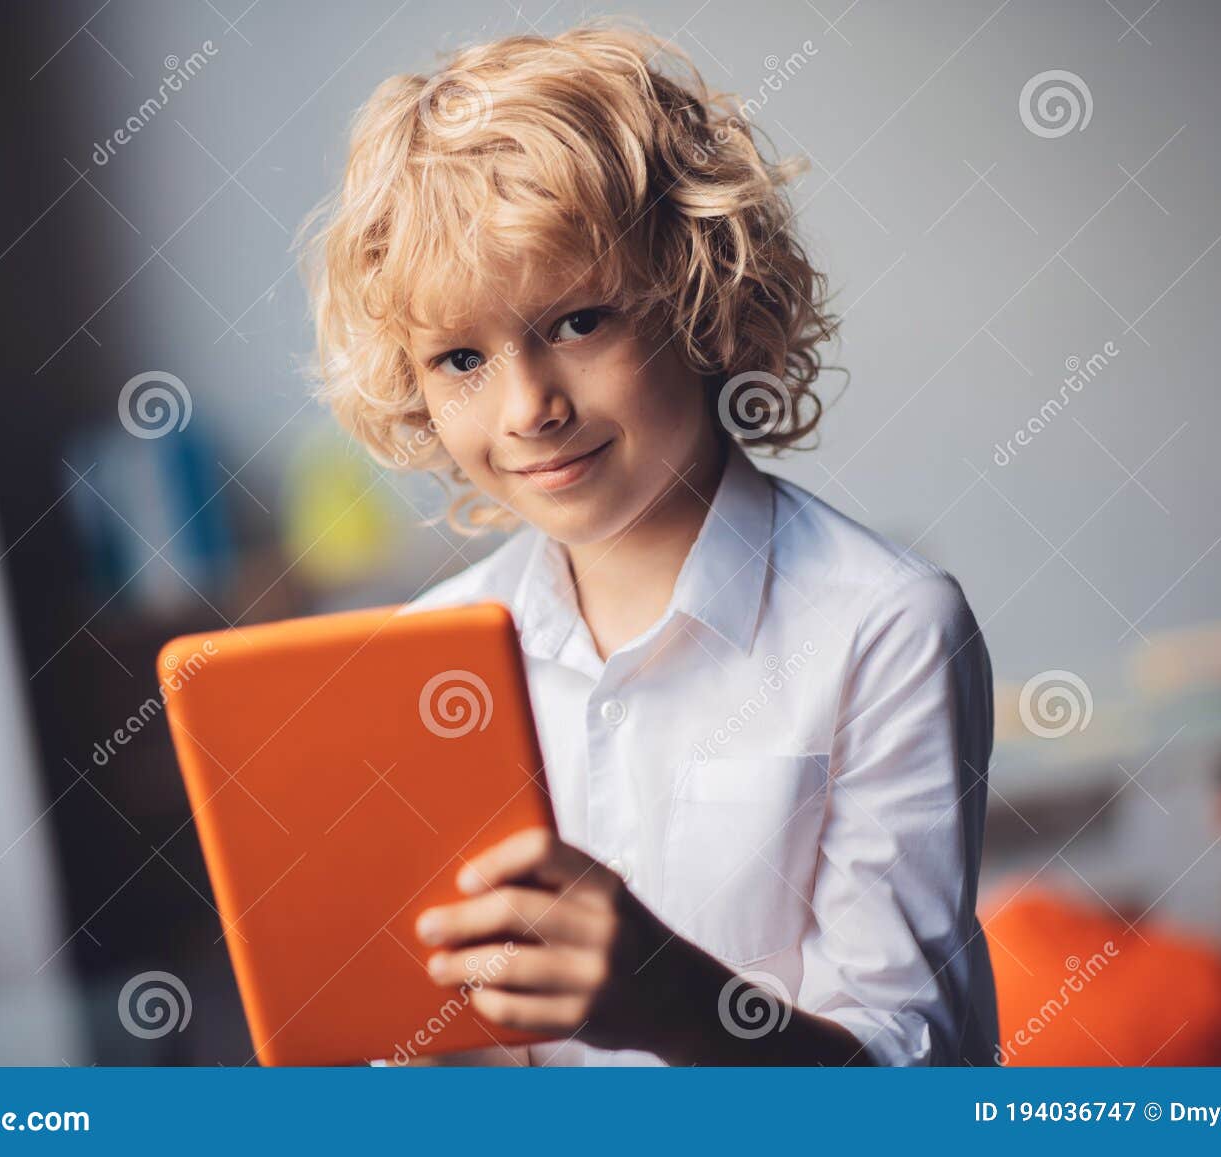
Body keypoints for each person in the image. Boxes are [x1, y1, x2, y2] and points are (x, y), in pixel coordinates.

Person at [301, 21, 996, 1066]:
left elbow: (915, 1078)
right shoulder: (426, 653)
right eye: (458, 358)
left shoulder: (884, 626)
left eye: (579, 322)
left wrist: (670, 998)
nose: (528, 407)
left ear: (703, 299)